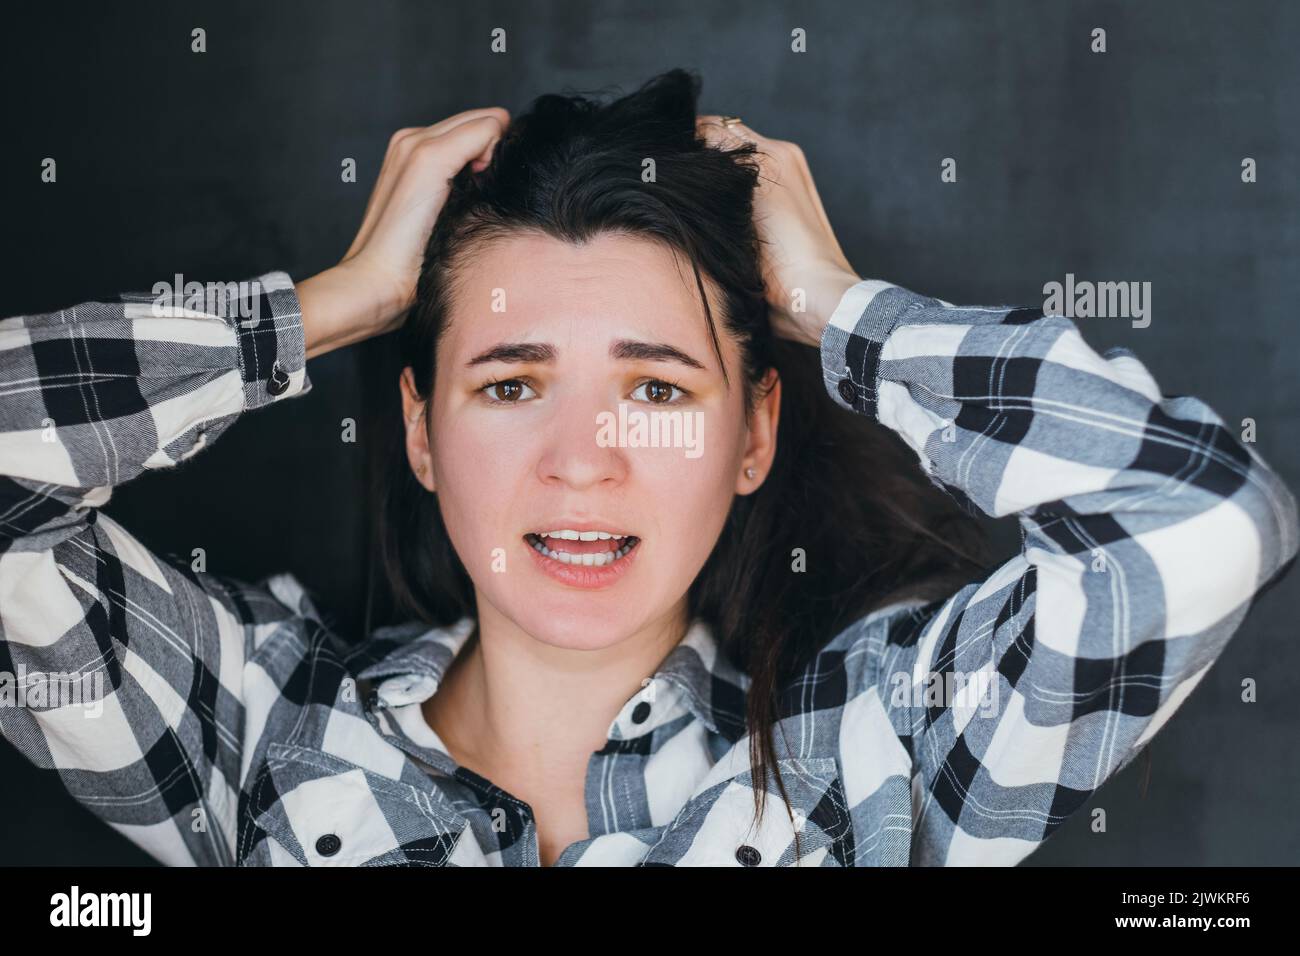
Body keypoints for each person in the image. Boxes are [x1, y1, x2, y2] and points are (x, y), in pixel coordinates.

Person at [0, 69, 1294, 867]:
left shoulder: (877, 757)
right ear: (416, 430)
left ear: (753, 438)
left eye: (658, 389)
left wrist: (837, 308)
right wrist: (328, 306)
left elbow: (1199, 516)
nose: (582, 463)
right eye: (509, 386)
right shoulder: (260, 737)